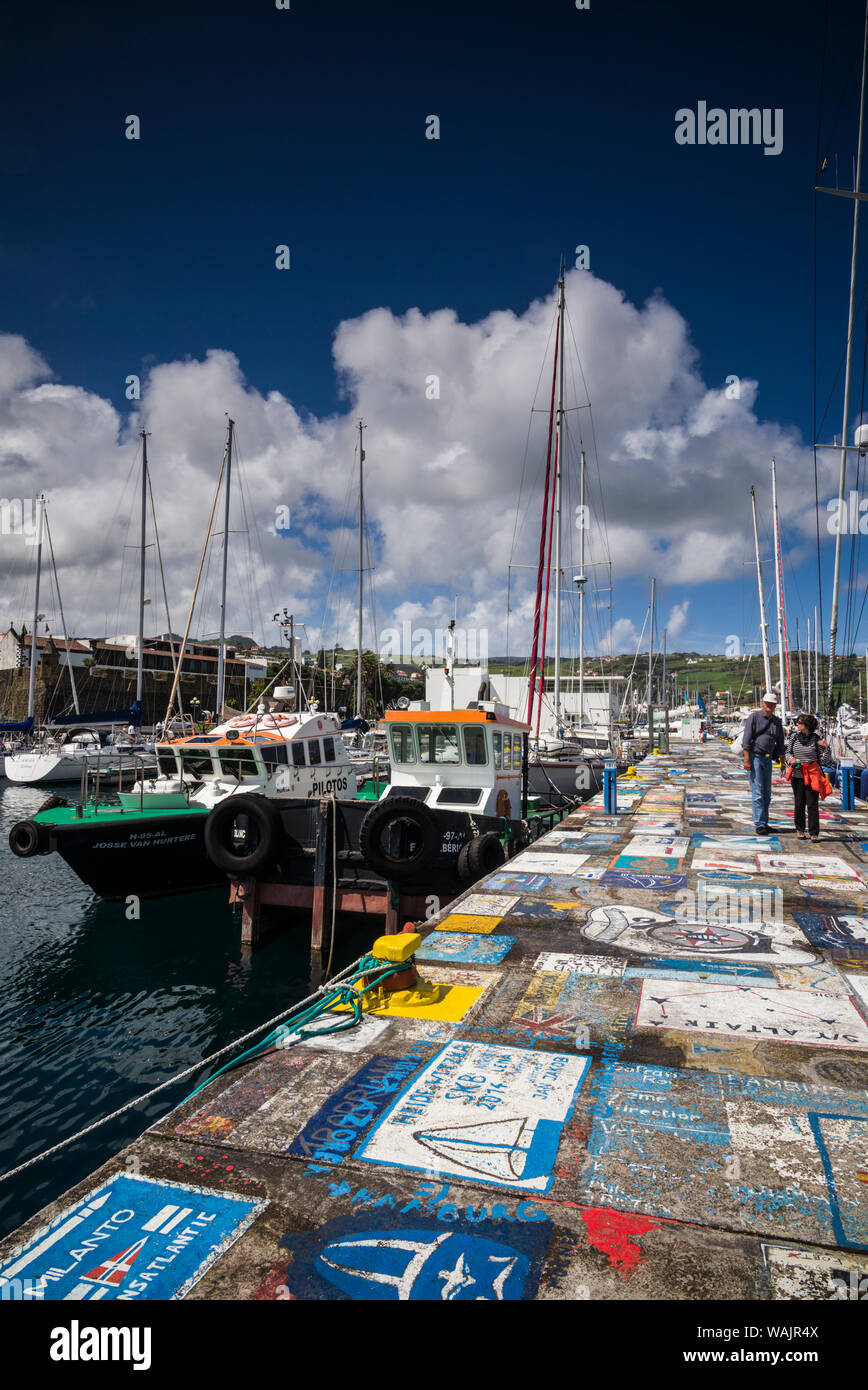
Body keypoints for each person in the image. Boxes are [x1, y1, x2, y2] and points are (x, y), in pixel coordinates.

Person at [741, 692, 785, 834]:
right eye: (767, 703)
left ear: (775, 706)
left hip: (768, 759)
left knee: (767, 793)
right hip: (756, 757)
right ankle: (759, 823)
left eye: (772, 704)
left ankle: (765, 822)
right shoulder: (754, 717)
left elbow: (780, 743)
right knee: (758, 791)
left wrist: (783, 763)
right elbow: (746, 740)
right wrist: (747, 760)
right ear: (763, 703)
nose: (769, 706)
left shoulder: (777, 722)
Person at [785, 713, 829, 842]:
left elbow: (824, 759)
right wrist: (791, 759)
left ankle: (814, 832)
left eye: (799, 722)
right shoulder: (794, 737)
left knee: (812, 804)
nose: (797, 724)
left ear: (807, 725)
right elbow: (788, 752)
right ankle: (799, 829)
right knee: (799, 803)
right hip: (797, 774)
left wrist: (826, 748)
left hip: (812, 774)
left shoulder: (816, 739)